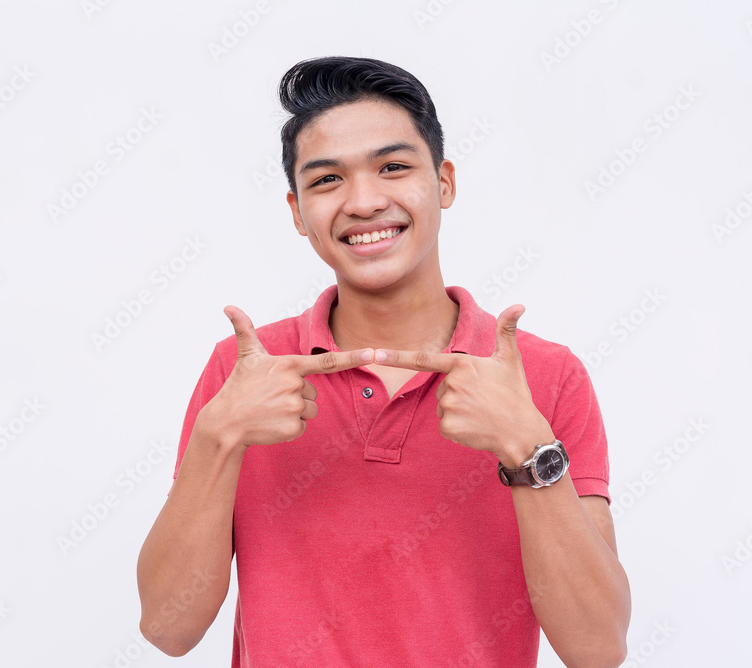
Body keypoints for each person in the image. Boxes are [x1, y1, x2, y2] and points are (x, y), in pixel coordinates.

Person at [137, 55, 631, 667]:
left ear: (444, 182)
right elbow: (167, 627)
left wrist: (528, 448)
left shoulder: (547, 377)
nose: (365, 202)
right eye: (326, 180)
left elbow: (598, 648)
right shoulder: (247, 372)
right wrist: (219, 436)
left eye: (393, 167)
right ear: (296, 212)